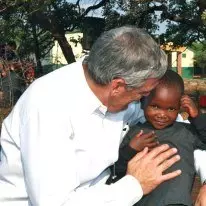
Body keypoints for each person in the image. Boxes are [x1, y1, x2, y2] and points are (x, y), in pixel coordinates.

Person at [0, 26, 205, 206]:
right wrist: (135, 185)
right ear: (117, 86)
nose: (142, 103)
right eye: (142, 95)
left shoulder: (121, 98)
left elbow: (179, 130)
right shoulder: (48, 107)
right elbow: (54, 203)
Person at [106, 70, 206, 206]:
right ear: (142, 102)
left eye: (171, 109)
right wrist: (130, 149)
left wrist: (197, 117)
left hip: (177, 203)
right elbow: (115, 171)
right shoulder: (135, 133)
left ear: (179, 107)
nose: (162, 114)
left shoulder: (186, 132)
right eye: (155, 106)